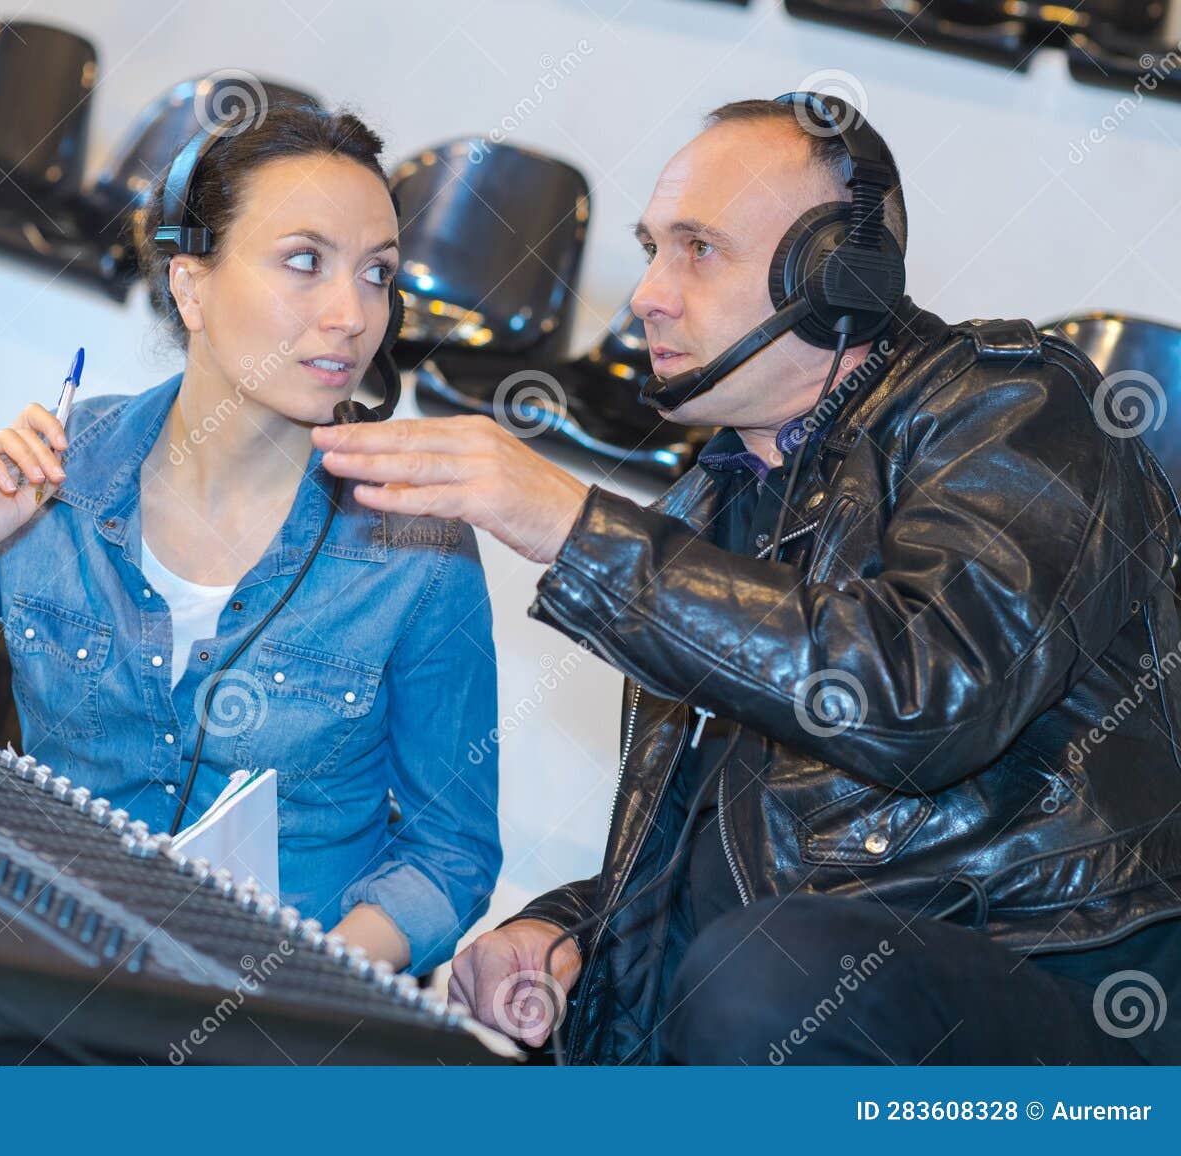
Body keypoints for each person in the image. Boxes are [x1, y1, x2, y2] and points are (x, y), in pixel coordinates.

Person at [313, 92, 1181, 1061]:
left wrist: (574, 527)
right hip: (795, 983)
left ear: (837, 277)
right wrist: (565, 934)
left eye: (698, 249)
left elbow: (922, 699)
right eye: (651, 249)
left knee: (765, 973)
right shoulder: (718, 499)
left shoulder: (1019, 407)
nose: (647, 294)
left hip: (1065, 1005)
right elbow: (743, 859)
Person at [0, 103, 501, 976]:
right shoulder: (62, 473)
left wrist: (286, 988)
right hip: (46, 976)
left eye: (377, 274)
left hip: (269, 1015)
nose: (352, 314)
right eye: (306, 261)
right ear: (191, 286)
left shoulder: (417, 540)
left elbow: (450, 855)